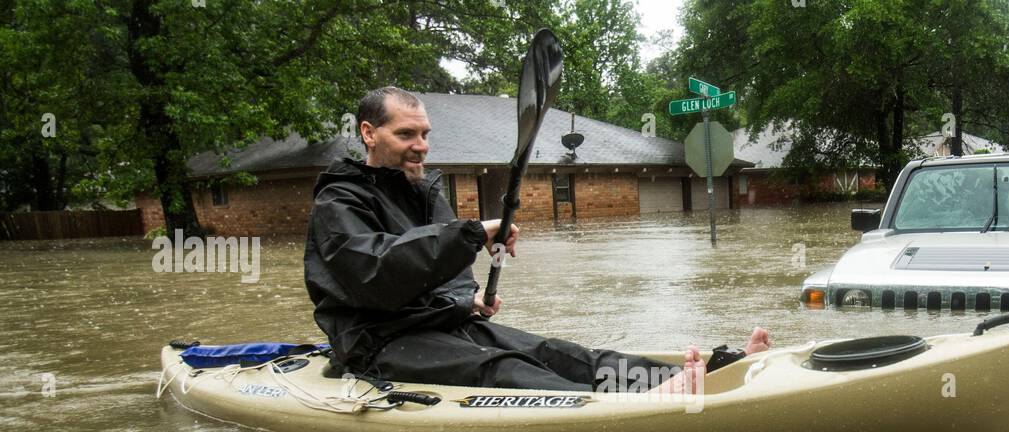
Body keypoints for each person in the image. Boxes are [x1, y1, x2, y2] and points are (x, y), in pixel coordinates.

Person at [304, 86, 769, 394]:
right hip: (378, 343)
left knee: (559, 354)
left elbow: (436, 272)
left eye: (424, 134)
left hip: (443, 327)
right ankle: (633, 405)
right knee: (504, 369)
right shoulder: (339, 201)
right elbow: (374, 272)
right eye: (406, 134)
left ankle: (707, 374)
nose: (421, 145)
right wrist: (472, 234)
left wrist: (466, 301)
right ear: (368, 133)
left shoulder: (422, 191)